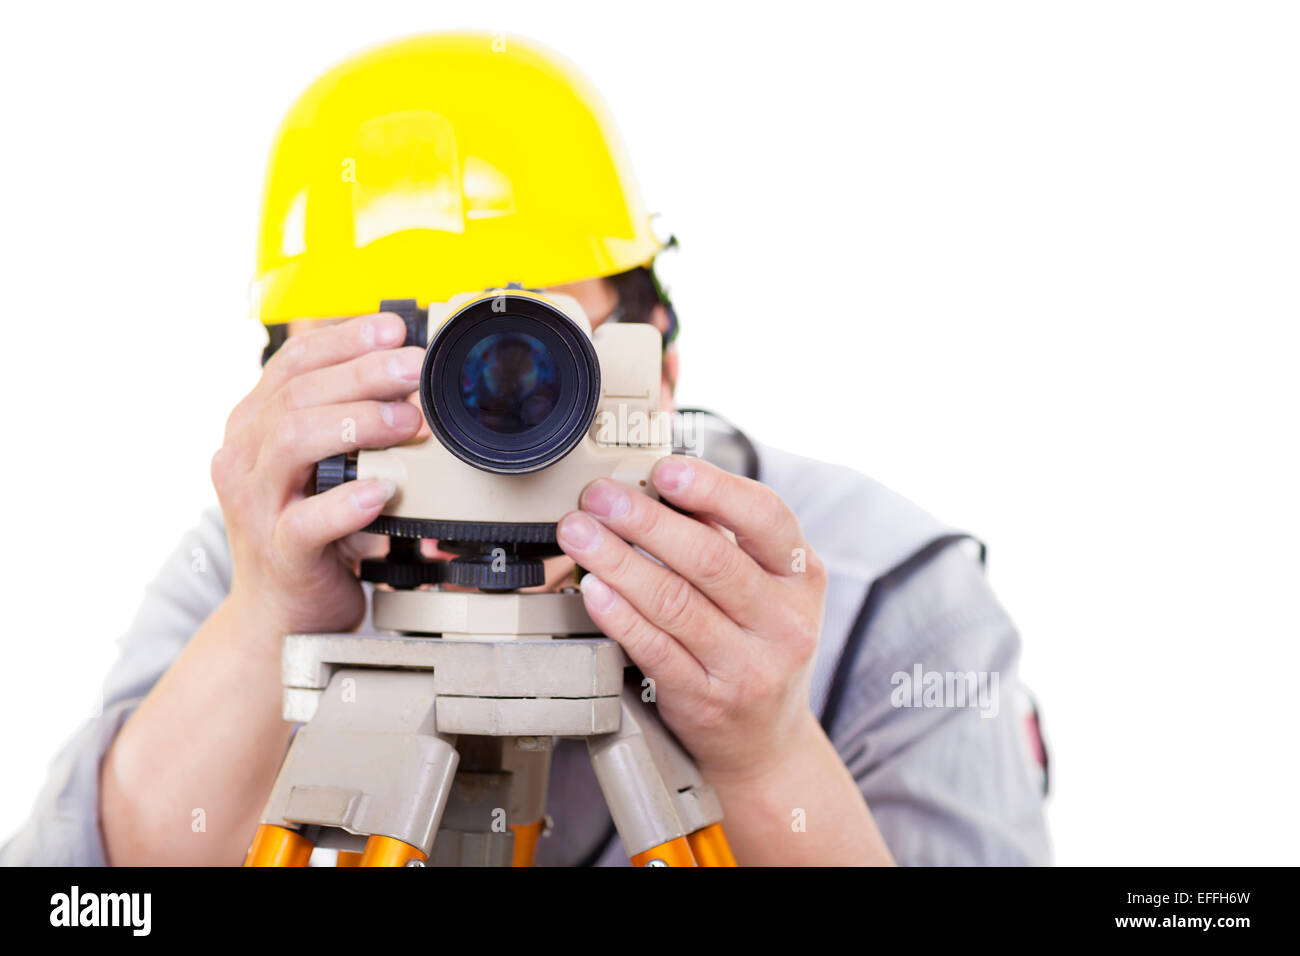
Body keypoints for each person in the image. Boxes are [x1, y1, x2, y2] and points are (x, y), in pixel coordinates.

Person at [1, 32, 1050, 867]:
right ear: (286, 392)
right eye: (395, 356)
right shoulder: (263, 562)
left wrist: (766, 747)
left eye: (517, 352)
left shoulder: (889, 599)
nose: (470, 402)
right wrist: (262, 626)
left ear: (656, 363)